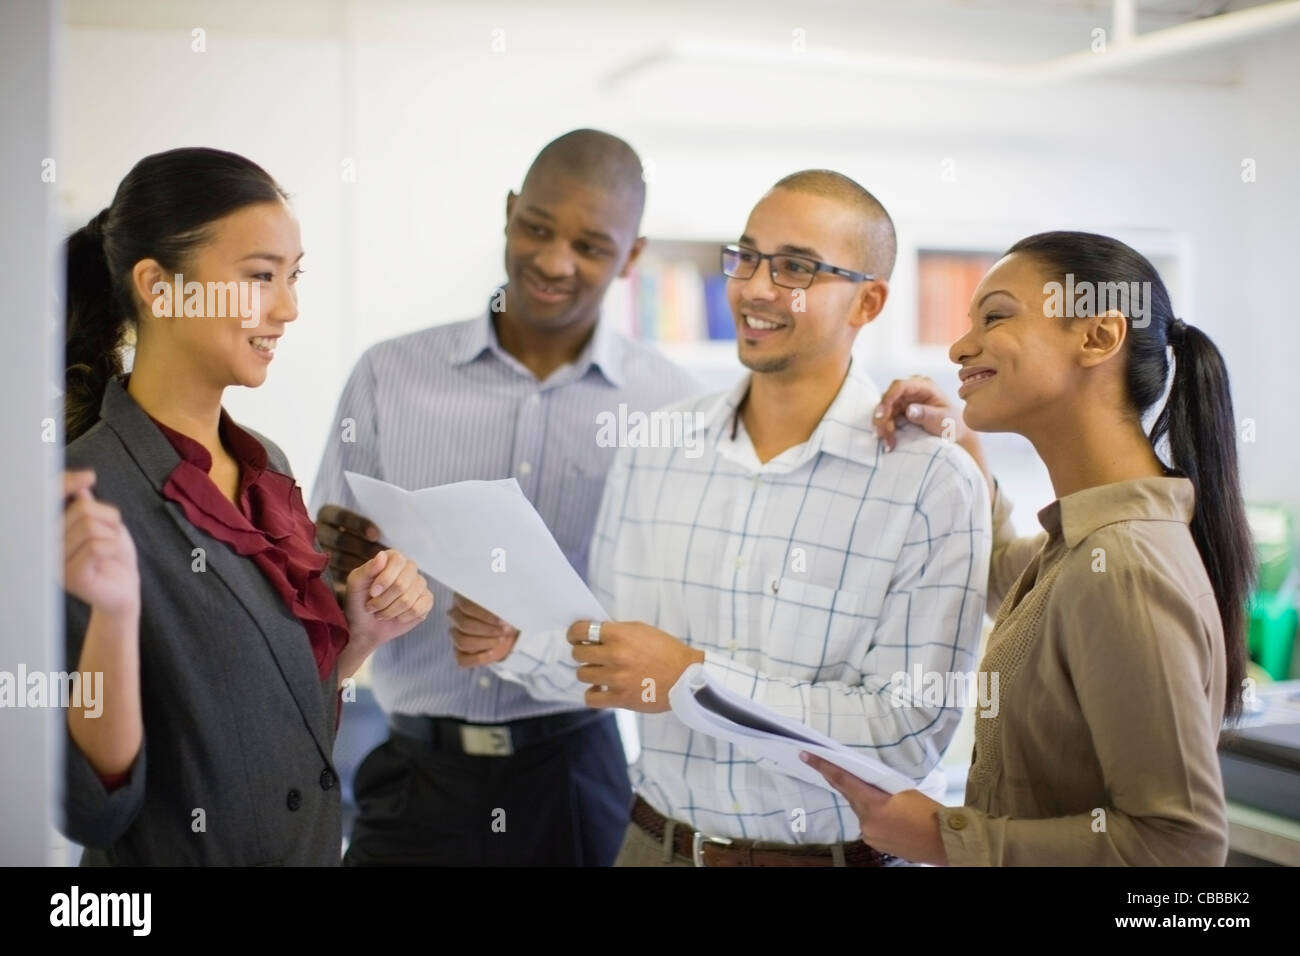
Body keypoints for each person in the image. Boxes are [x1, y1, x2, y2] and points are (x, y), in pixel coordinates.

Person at [468, 170, 992, 866]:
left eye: (796, 267)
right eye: (746, 257)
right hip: (652, 847)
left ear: (867, 301)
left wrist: (692, 675)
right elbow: (618, 658)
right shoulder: (656, 448)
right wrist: (514, 641)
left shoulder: (932, 480)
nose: (755, 287)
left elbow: (904, 729)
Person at [311, 129, 701, 866]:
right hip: (414, 776)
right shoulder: (388, 376)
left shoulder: (676, 408)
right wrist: (336, 559)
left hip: (574, 774)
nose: (554, 262)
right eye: (537, 228)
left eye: (590, 246)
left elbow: (679, 606)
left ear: (634, 257)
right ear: (510, 212)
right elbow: (322, 594)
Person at [803, 230, 1253, 866]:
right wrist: (963, 447)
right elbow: (1003, 578)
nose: (961, 347)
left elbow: (1180, 847)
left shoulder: (1122, 566)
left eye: (996, 317)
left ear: (1099, 338)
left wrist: (938, 836)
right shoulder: (1088, 545)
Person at [62, 147, 433, 865]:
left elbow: (276, 733)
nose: (288, 309)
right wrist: (113, 615)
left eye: (292, 278)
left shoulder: (269, 469)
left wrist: (358, 636)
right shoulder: (80, 491)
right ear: (159, 288)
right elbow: (92, 806)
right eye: (260, 277)